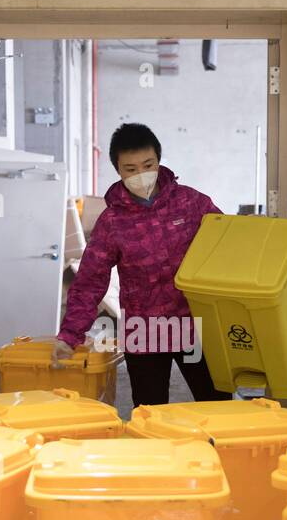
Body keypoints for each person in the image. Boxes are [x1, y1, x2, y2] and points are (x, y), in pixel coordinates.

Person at [53, 123, 230, 407]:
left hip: (194, 323)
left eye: (148, 165)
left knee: (217, 404)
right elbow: (90, 281)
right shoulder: (112, 222)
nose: (141, 175)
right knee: (149, 410)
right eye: (130, 169)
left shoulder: (191, 203)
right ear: (119, 171)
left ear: (159, 162)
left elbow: (227, 244)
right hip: (144, 329)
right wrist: (70, 334)